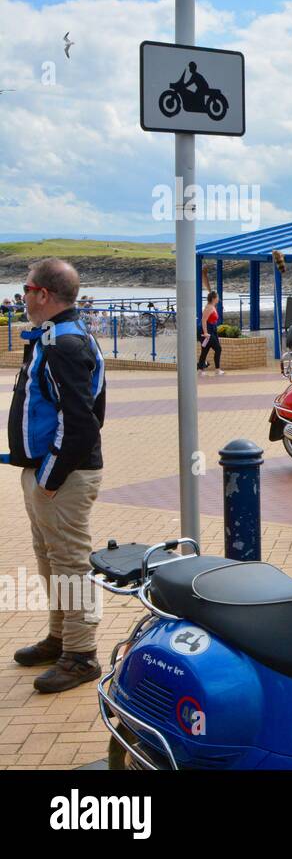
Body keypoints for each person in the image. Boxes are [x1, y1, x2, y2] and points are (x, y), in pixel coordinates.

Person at [5, 258, 106, 693]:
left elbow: (82, 421)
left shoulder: (66, 343)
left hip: (62, 477)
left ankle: (81, 655)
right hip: (48, 474)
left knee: (69, 562)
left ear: (43, 294)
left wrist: (49, 475)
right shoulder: (56, 336)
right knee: (51, 560)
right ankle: (61, 637)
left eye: (25, 289)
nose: (21, 296)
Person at [197, 290, 224, 376]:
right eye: (217, 297)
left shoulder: (212, 306)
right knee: (218, 349)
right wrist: (205, 333)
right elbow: (204, 320)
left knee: (205, 350)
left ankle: (200, 370)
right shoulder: (208, 307)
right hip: (207, 331)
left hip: (212, 330)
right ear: (213, 298)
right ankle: (217, 369)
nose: (218, 299)